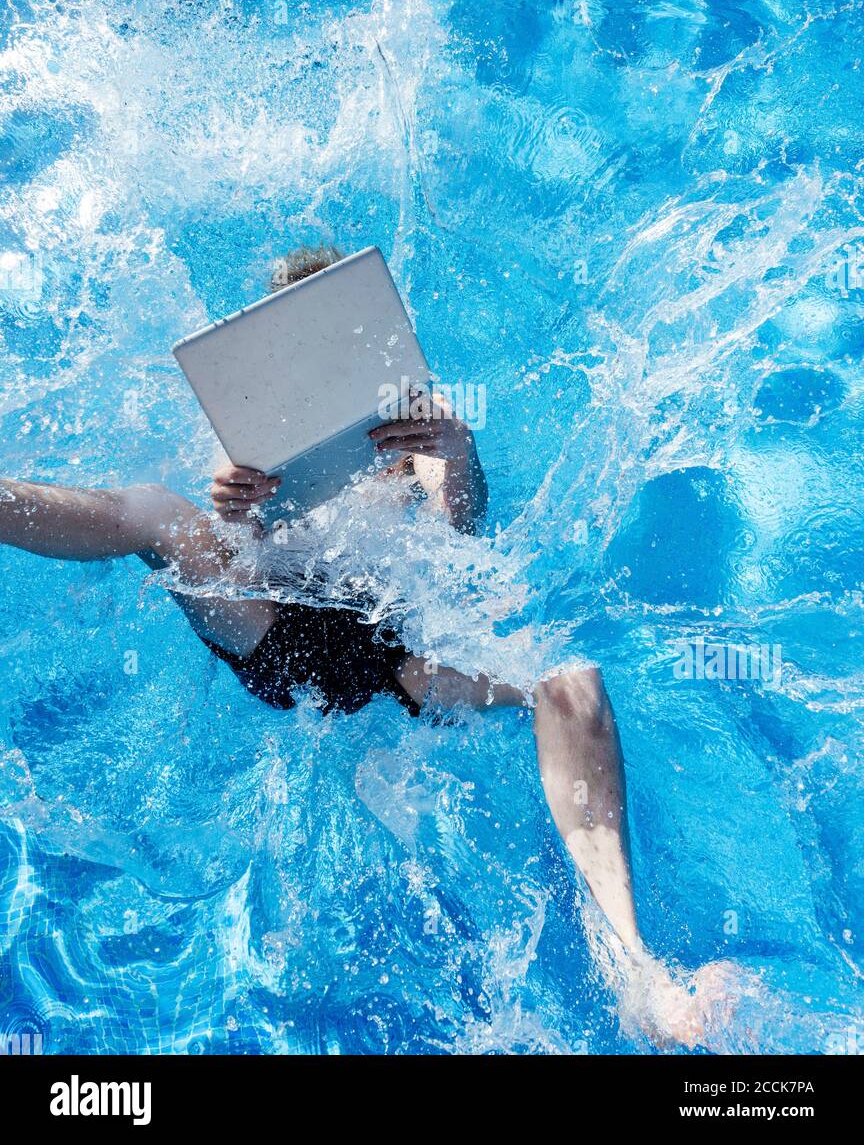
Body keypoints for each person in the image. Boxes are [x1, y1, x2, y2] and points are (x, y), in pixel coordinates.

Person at [0, 243, 732, 1048]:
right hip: (279, 636)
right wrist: (233, 509)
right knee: (154, 513)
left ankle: (636, 966)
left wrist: (457, 455)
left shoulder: (415, 426)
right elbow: (236, 562)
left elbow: (462, 546)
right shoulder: (241, 442)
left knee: (572, 682)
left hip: (401, 654)